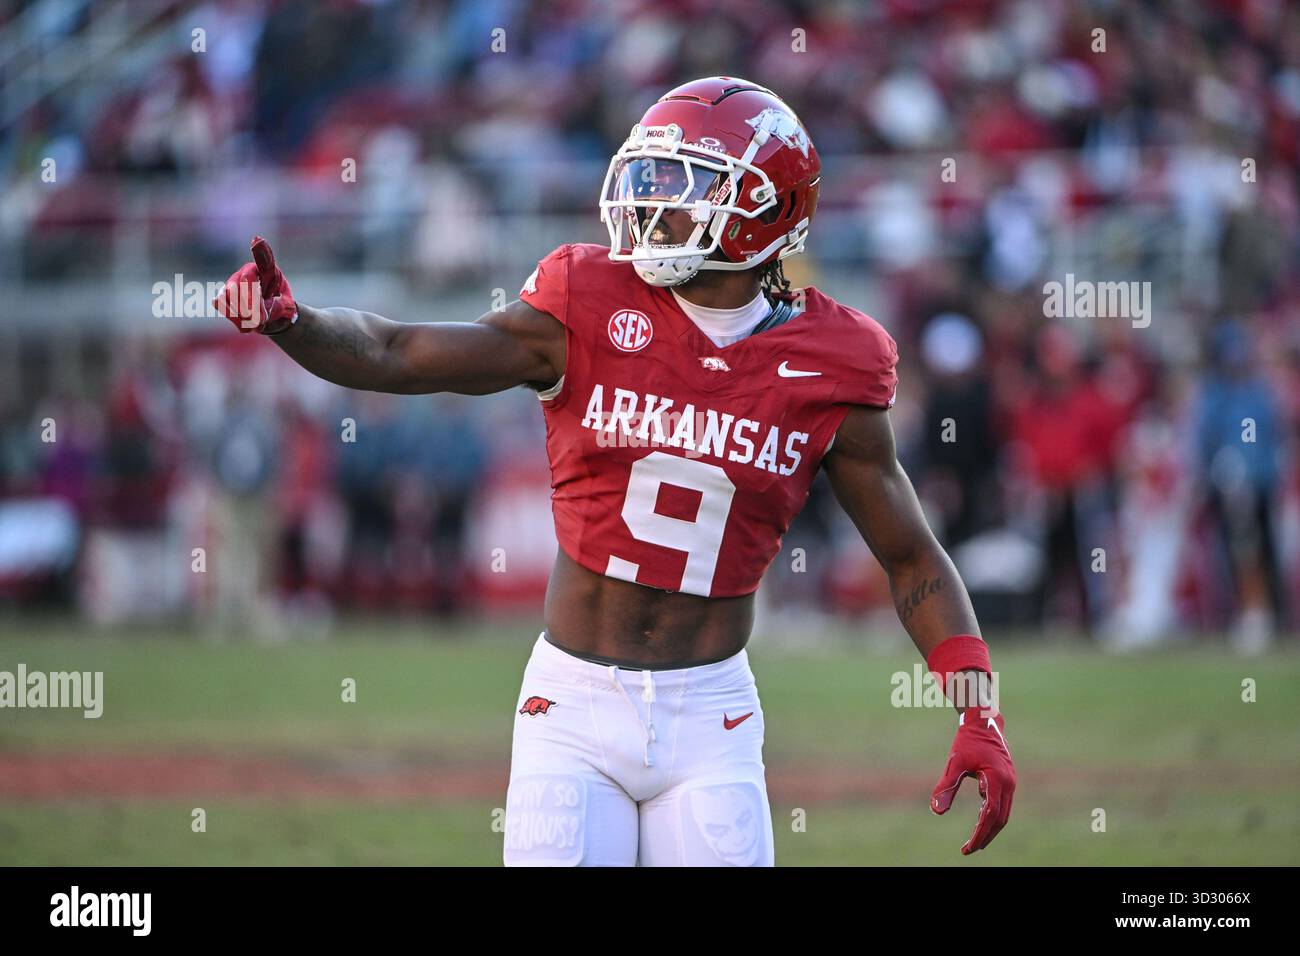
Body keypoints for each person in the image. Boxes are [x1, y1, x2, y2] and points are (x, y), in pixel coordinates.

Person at [214, 77, 1015, 866]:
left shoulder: (835, 361)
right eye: (653, 173)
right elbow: (399, 351)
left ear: (765, 212)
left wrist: (980, 712)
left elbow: (911, 556)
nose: (653, 201)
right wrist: (294, 320)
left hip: (712, 716)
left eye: (688, 183)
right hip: (573, 705)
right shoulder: (585, 299)